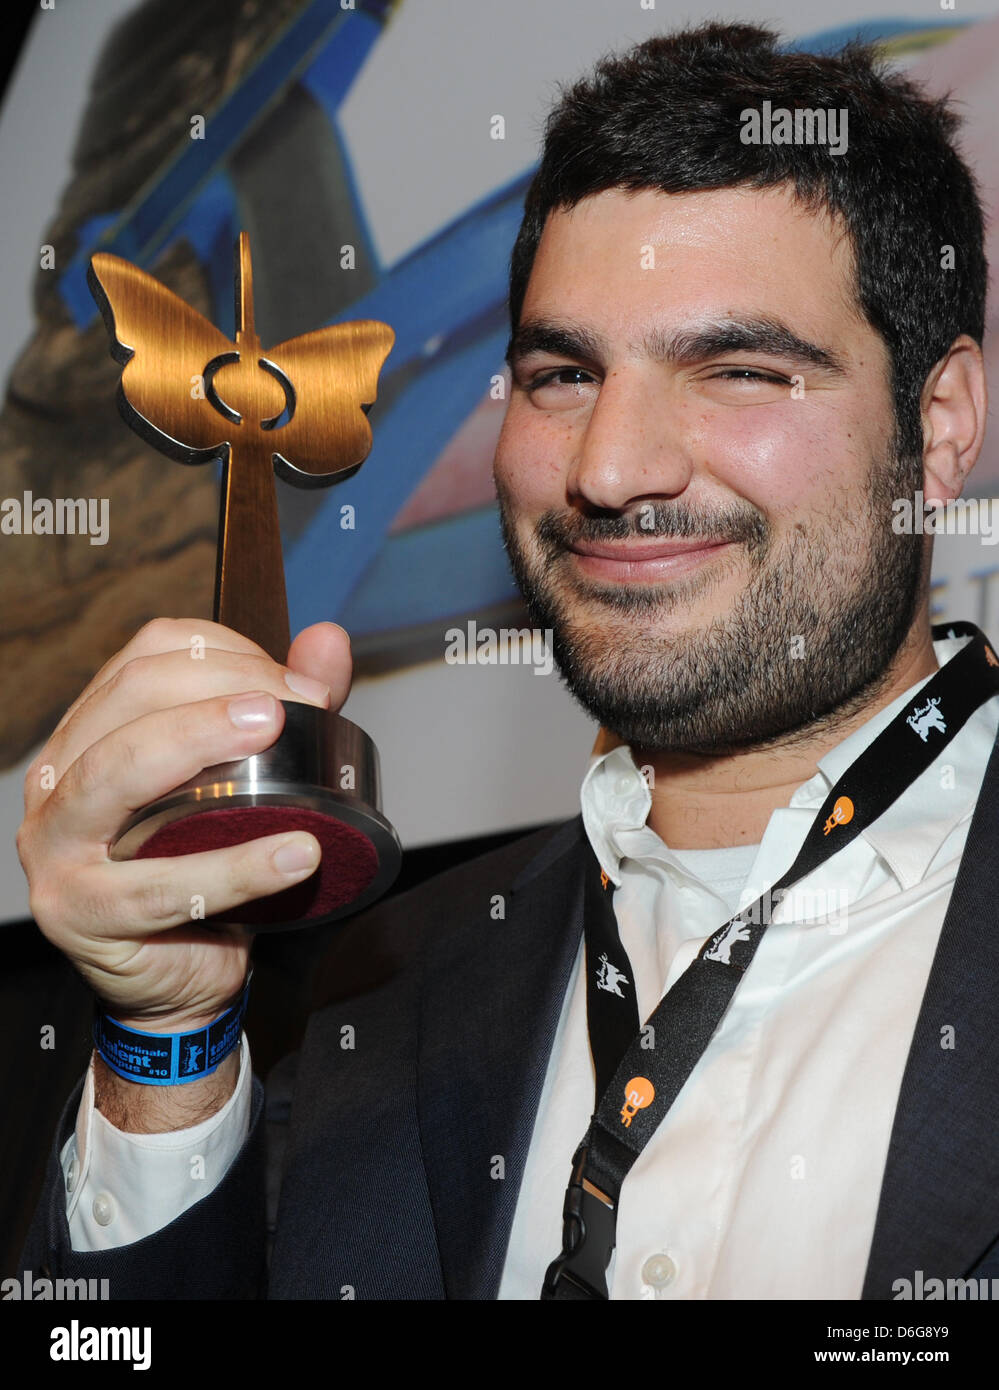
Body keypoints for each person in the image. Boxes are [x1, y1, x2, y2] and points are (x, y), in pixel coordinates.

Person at [16, 20, 998, 1300]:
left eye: (741, 369)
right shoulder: (395, 980)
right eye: (561, 373)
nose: (607, 467)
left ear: (940, 428)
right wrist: (168, 1041)